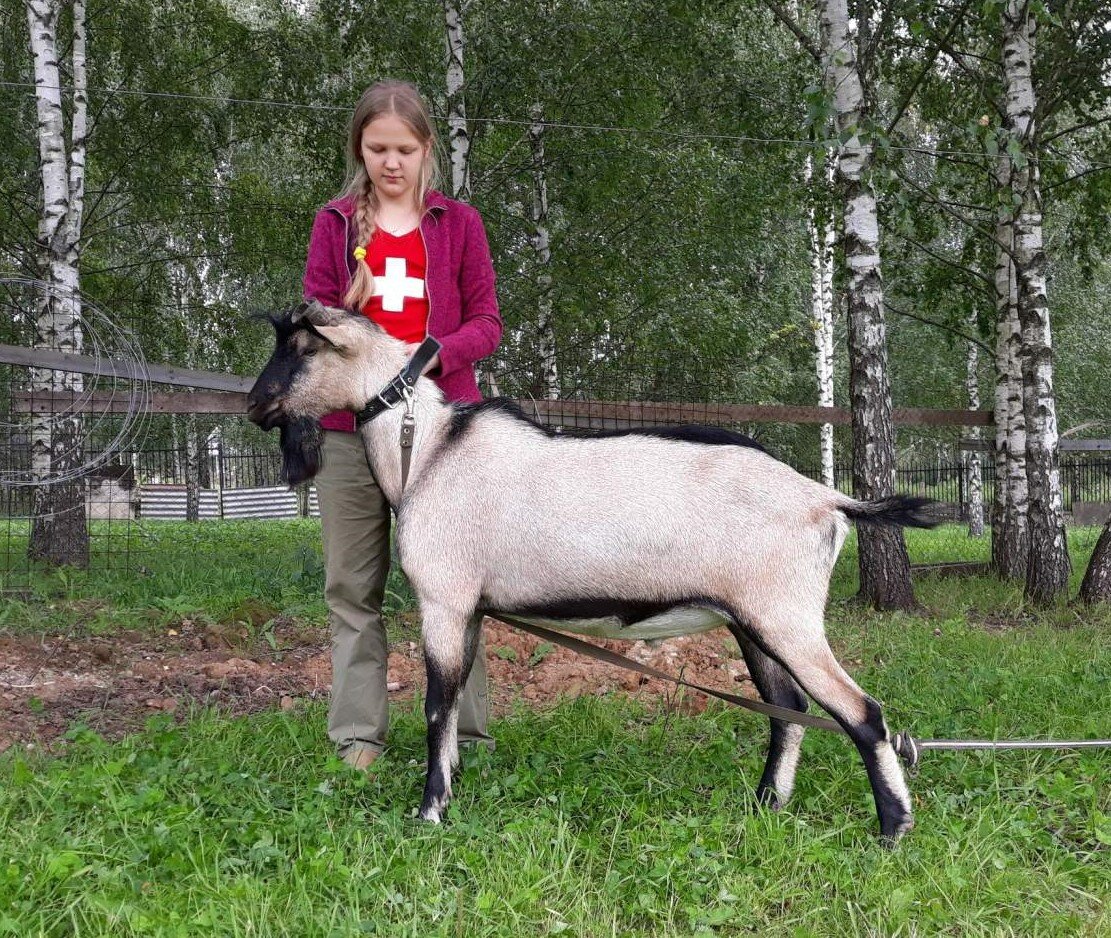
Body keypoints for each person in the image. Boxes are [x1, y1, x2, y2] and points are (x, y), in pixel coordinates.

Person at [302, 80, 502, 770]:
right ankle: (359, 737)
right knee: (352, 588)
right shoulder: (333, 224)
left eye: (405, 149)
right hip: (348, 435)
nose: (391, 162)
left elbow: (486, 321)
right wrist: (344, 321)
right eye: (378, 147)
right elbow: (314, 322)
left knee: (457, 585)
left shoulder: (459, 224)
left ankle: (465, 737)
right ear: (359, 148)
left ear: (426, 152)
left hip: (445, 439)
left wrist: (435, 355)